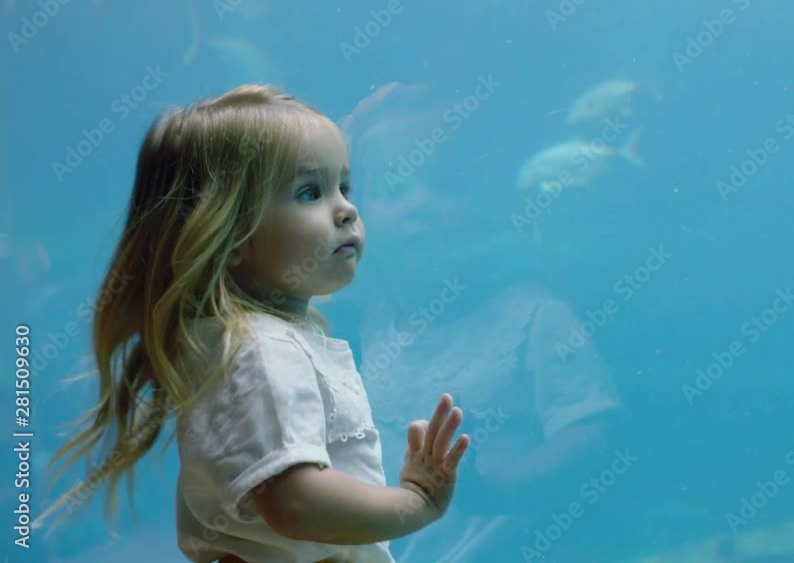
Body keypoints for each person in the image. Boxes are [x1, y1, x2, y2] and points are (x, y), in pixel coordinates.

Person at [37, 84, 470, 563]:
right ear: (232, 234)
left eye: (343, 186)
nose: (346, 209)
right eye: (310, 192)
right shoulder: (263, 352)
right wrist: (414, 504)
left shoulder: (250, 342)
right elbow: (295, 502)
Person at [338, 81, 629, 562]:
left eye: (447, 184)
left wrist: (497, 487)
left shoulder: (535, 316)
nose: (420, 205)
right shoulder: (374, 317)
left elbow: (593, 432)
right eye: (395, 186)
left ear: (498, 200)